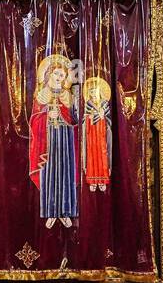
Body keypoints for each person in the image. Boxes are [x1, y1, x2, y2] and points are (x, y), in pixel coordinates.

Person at [28, 54, 79, 228]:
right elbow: (33, 120)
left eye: (63, 76)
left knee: (65, 173)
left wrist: (68, 112)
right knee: (49, 174)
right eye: (56, 74)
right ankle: (50, 212)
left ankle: (65, 212)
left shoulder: (68, 95)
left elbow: (74, 119)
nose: (59, 78)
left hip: (64, 139)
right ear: (49, 74)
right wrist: (46, 115)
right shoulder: (41, 95)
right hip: (47, 141)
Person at [82, 77, 112, 192]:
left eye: (94, 91)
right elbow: (84, 120)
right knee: (92, 156)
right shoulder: (87, 104)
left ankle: (102, 179)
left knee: (102, 154)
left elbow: (109, 121)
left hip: (102, 135)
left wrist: (102, 116)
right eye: (90, 92)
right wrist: (89, 118)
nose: (92, 94)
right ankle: (93, 180)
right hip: (91, 135)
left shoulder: (105, 104)